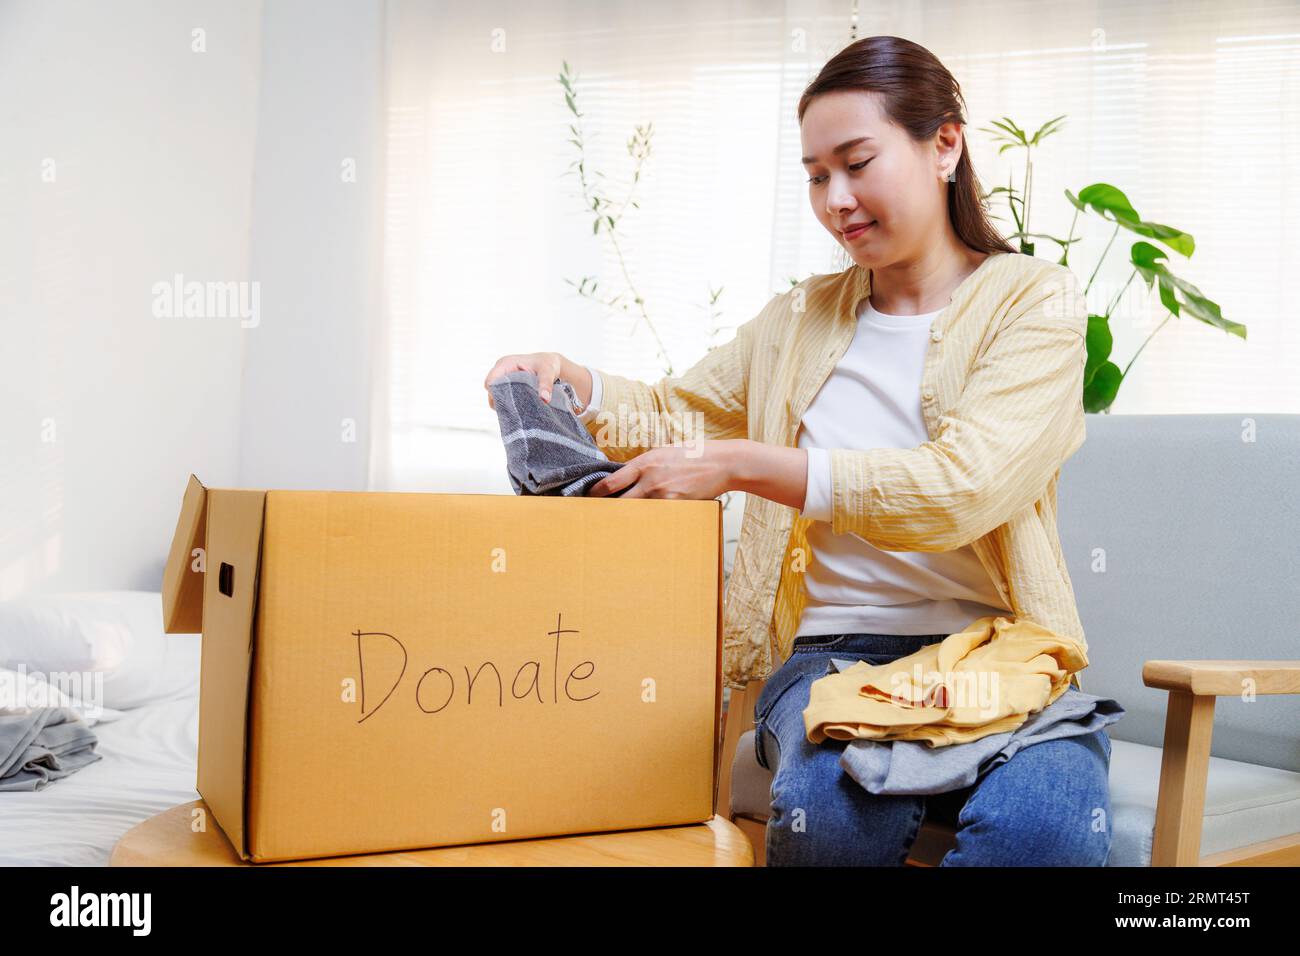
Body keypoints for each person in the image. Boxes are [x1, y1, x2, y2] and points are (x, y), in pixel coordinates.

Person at [483, 35, 1110, 866]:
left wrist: (749, 464)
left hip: (999, 654)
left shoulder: (1035, 304)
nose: (836, 199)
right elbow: (679, 415)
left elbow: (965, 485)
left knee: (1045, 833)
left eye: (857, 162)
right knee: (836, 819)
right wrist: (574, 381)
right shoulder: (797, 320)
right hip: (833, 656)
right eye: (817, 175)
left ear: (945, 146)